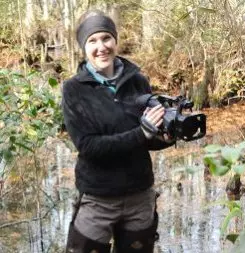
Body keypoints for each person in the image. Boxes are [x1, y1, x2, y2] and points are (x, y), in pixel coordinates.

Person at [61, 9, 174, 253]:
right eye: (92, 41)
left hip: (139, 196)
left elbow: (147, 138)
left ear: (115, 40)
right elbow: (89, 147)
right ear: (84, 47)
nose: (101, 46)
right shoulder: (73, 90)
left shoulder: (138, 81)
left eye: (106, 38)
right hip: (98, 198)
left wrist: (166, 136)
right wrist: (142, 133)